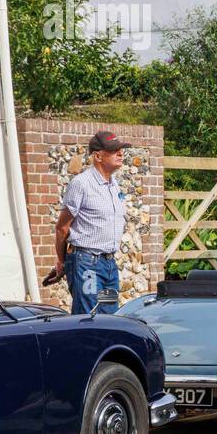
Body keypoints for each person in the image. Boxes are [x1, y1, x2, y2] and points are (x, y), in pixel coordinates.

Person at [55, 130, 131, 315]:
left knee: (109, 316)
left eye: (121, 150)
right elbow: (62, 227)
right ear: (98, 155)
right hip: (87, 264)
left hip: (109, 266)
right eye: (114, 150)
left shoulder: (114, 184)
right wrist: (61, 261)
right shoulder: (81, 184)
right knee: (88, 318)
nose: (121, 153)